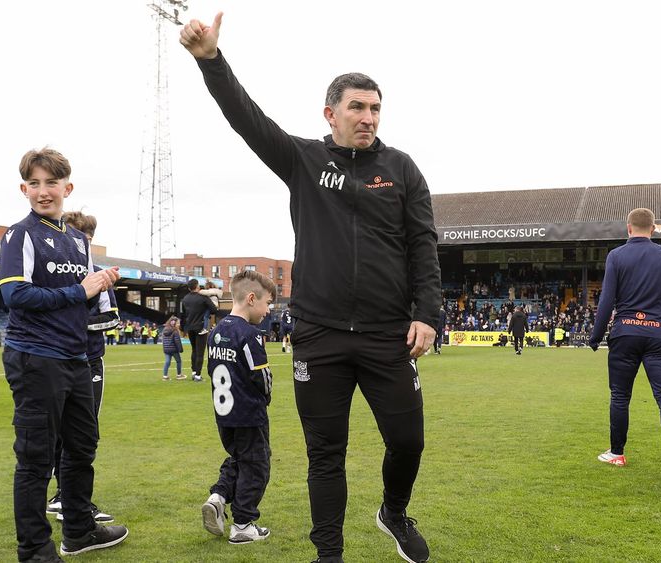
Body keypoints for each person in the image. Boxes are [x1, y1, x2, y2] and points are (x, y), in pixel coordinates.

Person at [181, 14, 441, 563]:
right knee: (326, 455)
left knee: (409, 441)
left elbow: (423, 245)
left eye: (375, 108)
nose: (368, 117)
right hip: (320, 336)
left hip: (386, 335)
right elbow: (246, 119)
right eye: (357, 107)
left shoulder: (402, 168)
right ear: (331, 113)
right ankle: (329, 555)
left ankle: (393, 511)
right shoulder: (303, 159)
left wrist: (428, 314)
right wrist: (211, 60)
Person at [0, 147, 127, 561]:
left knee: (81, 448)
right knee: (36, 458)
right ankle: (35, 549)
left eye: (51, 183)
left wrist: (102, 286)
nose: (43, 191)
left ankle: (79, 531)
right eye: (34, 184)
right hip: (35, 357)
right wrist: (82, 290)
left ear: (66, 187)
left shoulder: (77, 241)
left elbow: (84, 303)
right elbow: (14, 294)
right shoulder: (20, 235)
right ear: (24, 189)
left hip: (76, 358)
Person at [589, 208, 661, 480]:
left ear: (628, 228)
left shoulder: (616, 256)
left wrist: (596, 336)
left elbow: (607, 300)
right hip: (658, 333)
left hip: (625, 333)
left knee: (620, 397)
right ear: (654, 228)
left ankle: (617, 453)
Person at [45, 210, 121, 525]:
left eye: (85, 240)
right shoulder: (53, 273)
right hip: (55, 360)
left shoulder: (100, 275)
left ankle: (71, 497)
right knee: (55, 430)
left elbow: (112, 317)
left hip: (90, 361)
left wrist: (73, 323)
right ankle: (62, 496)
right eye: (76, 238)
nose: (80, 245)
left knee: (84, 431)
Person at [200, 270, 276, 545]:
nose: (268, 311)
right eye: (268, 303)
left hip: (225, 415)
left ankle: (218, 496)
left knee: (240, 459)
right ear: (252, 298)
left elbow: (212, 372)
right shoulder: (251, 335)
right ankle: (243, 524)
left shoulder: (216, 332)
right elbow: (262, 378)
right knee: (257, 466)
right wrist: (266, 397)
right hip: (249, 414)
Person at [180, 278, 218, 382]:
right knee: (200, 352)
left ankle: (193, 372)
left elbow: (182, 315)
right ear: (197, 286)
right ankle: (197, 375)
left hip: (190, 327)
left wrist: (182, 328)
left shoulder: (185, 299)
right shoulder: (203, 297)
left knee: (194, 350)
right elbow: (214, 310)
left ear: (189, 288)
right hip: (201, 327)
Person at [161, 316, 185, 381]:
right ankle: (179, 375)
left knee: (167, 362)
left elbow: (163, 341)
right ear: (174, 323)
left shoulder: (164, 329)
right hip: (174, 349)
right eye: (178, 323)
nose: (179, 324)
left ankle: (165, 376)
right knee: (178, 361)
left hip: (166, 349)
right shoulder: (175, 331)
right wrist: (180, 349)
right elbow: (177, 341)